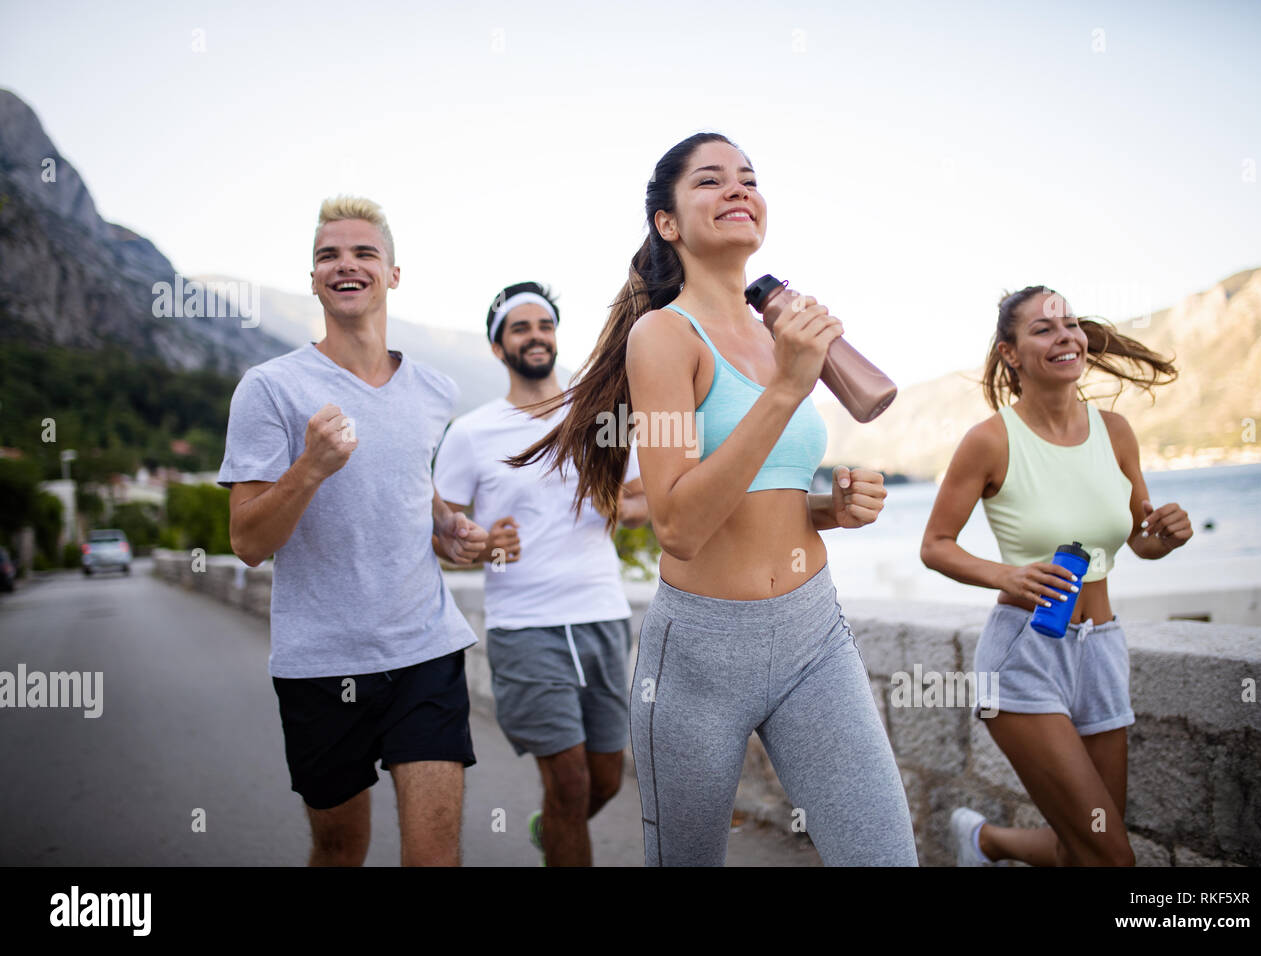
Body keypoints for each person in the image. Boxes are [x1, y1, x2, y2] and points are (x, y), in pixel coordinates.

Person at [507, 133, 918, 867]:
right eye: (710, 181)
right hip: (699, 652)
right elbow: (679, 524)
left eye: (748, 178)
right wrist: (791, 384)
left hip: (813, 633)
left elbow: (762, 490)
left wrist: (831, 507)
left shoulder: (782, 332)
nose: (736, 189)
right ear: (668, 223)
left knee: (885, 855)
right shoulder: (663, 337)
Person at [218, 196, 488, 866]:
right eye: (328, 255)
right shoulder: (269, 389)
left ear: (393, 274)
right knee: (341, 850)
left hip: (426, 650)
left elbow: (409, 491)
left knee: (434, 856)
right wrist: (309, 468)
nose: (346, 265)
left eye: (364, 252)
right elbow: (249, 542)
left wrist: (445, 528)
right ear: (313, 279)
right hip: (321, 662)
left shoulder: (433, 390)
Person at [920, 285, 1190, 866]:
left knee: (1088, 843)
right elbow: (936, 546)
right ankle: (985, 843)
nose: (1066, 335)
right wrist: (1007, 578)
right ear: (1011, 353)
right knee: (1114, 857)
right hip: (1026, 654)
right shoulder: (990, 440)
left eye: (1070, 324)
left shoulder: (1115, 432)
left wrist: (1162, 536)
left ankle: (985, 843)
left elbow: (1139, 541)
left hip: (1103, 649)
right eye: (1043, 329)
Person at [432, 281, 648, 867]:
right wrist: (478, 547)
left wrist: (626, 506)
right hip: (525, 627)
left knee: (604, 777)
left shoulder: (595, 417)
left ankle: (550, 829)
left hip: (602, 616)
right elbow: (441, 533)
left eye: (544, 325)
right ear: (498, 348)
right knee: (571, 783)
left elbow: (640, 499)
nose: (535, 336)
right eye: (519, 328)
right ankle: (561, 825)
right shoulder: (472, 433)